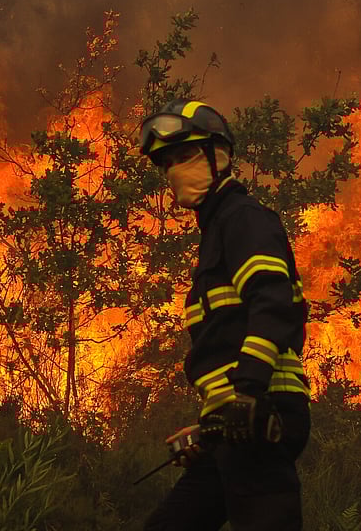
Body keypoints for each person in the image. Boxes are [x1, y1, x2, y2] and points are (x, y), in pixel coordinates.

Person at [138, 99, 311, 531]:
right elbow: (226, 342)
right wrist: (208, 426)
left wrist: (248, 393)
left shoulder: (244, 219)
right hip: (232, 425)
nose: (174, 171)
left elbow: (273, 304)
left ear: (219, 156)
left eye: (184, 156)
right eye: (167, 164)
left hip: (262, 412)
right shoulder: (216, 233)